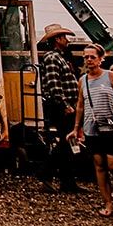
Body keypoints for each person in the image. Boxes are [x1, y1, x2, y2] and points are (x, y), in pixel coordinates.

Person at [70, 44, 113, 217]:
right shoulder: (82, 80)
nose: (89, 60)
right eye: (86, 57)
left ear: (101, 59)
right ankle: (108, 202)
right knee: (99, 165)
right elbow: (80, 105)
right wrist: (77, 128)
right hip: (93, 127)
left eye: (92, 57)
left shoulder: (110, 76)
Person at [36, 23, 80, 193]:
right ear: (57, 39)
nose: (67, 40)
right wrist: (65, 104)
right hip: (60, 106)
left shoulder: (59, 57)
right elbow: (54, 84)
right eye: (64, 37)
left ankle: (66, 181)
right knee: (66, 141)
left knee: (67, 141)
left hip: (65, 104)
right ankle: (45, 172)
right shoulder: (53, 58)